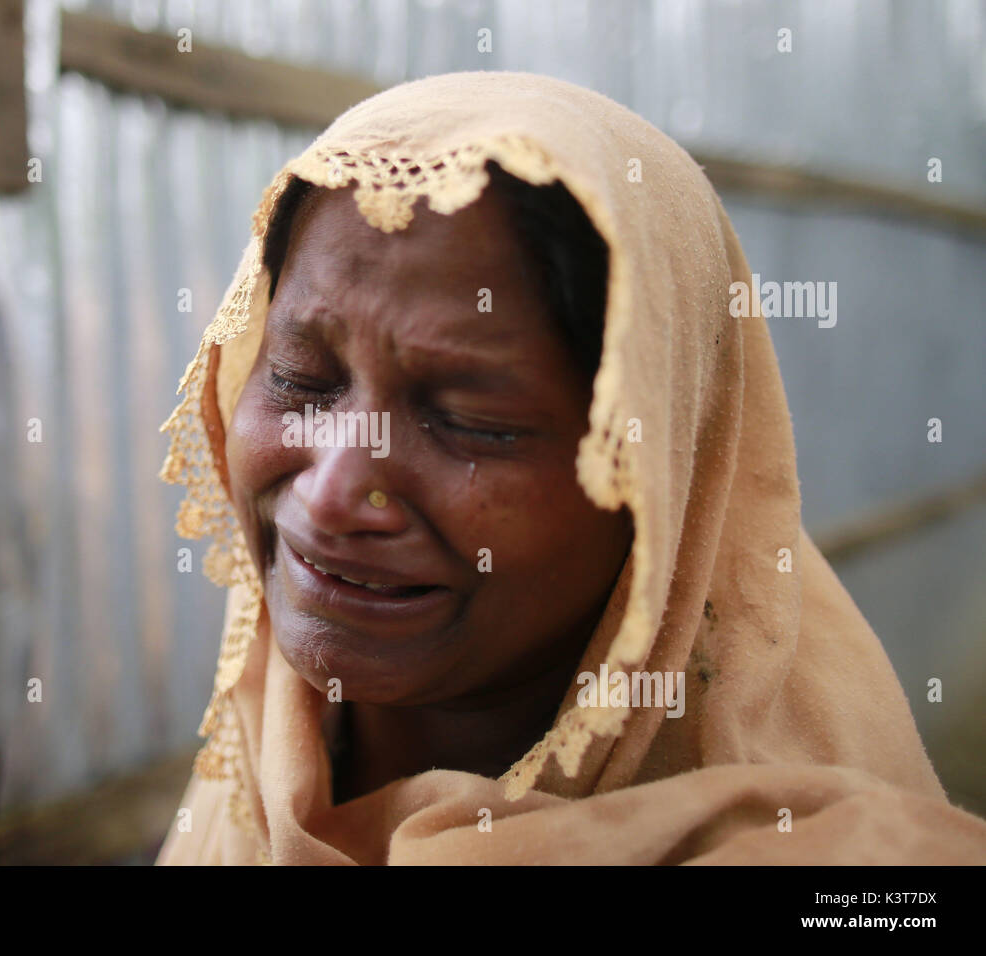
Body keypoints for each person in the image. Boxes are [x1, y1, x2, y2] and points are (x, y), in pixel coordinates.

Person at [156, 71, 986, 864]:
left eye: (471, 424)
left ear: (658, 489)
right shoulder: (267, 750)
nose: (332, 493)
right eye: (301, 379)